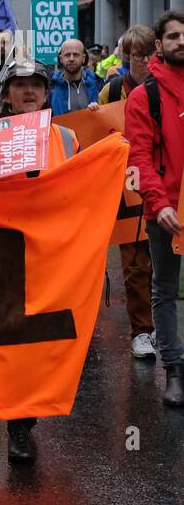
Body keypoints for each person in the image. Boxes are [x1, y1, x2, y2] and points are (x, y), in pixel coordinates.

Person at [0, 61, 80, 462]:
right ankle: (18, 425)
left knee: (46, 344)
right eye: (19, 85)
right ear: (6, 94)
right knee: (13, 342)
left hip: (54, 257)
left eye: (35, 86)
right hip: (6, 255)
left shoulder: (69, 138)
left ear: (46, 93)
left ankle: (30, 412)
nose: (27, 92)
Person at [125, 10, 184, 408]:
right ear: (158, 46)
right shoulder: (142, 96)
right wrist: (159, 203)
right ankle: (175, 371)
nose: (182, 42)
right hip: (166, 210)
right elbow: (138, 157)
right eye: (174, 36)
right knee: (164, 289)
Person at [93, 24, 156, 360]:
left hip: (161, 182)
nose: (143, 60)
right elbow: (98, 132)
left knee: (161, 260)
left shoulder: (168, 88)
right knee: (134, 264)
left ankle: (159, 325)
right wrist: (94, 116)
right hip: (127, 184)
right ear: (126, 56)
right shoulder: (113, 89)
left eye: (149, 54)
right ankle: (141, 330)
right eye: (137, 55)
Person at [49, 39, 101, 116]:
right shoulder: (51, 86)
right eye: (67, 55)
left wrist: (98, 111)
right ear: (61, 59)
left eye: (76, 55)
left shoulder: (97, 83)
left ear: (83, 58)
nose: (71, 59)